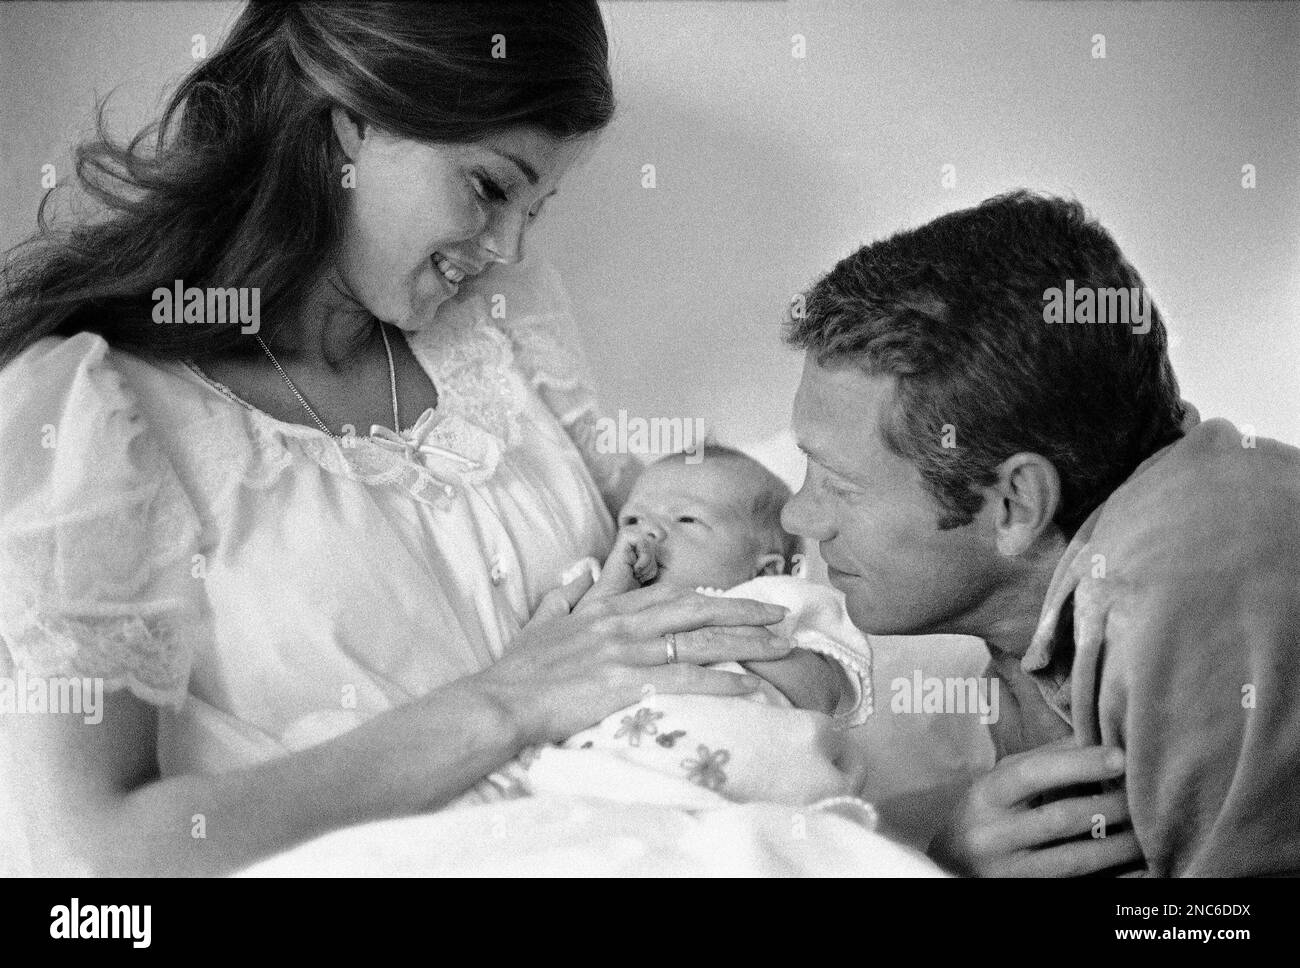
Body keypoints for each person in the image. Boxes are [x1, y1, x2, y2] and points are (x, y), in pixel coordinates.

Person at [0, 1, 799, 877]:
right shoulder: (92, 415)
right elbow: (93, 858)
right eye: (491, 187)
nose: (507, 247)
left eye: (537, 208)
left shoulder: (503, 333)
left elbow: (676, 572)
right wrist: (501, 704)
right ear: (352, 121)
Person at [781, 190, 1300, 876]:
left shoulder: (1179, 588)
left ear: (1015, 505)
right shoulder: (1042, 622)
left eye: (838, 485)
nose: (798, 518)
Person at [458, 446, 875, 810]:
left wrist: (718, 637)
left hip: (753, 795)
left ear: (763, 565)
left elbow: (823, 694)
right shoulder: (601, 590)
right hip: (608, 784)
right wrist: (611, 591)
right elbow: (553, 658)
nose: (649, 531)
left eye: (687, 519)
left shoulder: (774, 599)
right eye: (632, 519)